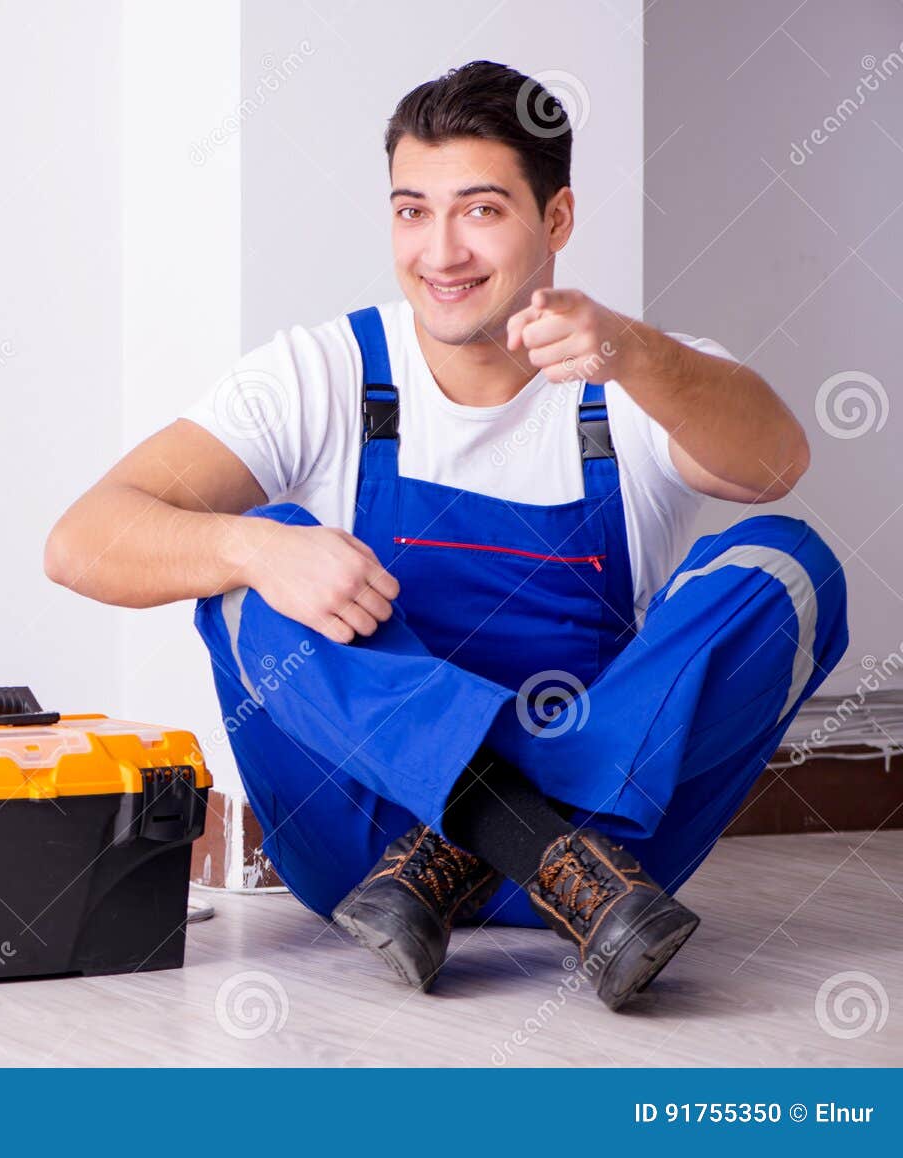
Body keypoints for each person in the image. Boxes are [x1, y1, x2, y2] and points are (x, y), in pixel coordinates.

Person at [44, 60, 847, 1012]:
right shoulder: (325, 372)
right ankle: (528, 840)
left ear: (556, 220)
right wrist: (256, 550)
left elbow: (776, 461)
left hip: (606, 852)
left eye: (480, 209)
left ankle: (484, 852)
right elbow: (81, 540)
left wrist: (629, 353)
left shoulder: (628, 367)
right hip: (374, 854)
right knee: (246, 553)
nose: (441, 250)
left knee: (788, 561)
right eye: (411, 211)